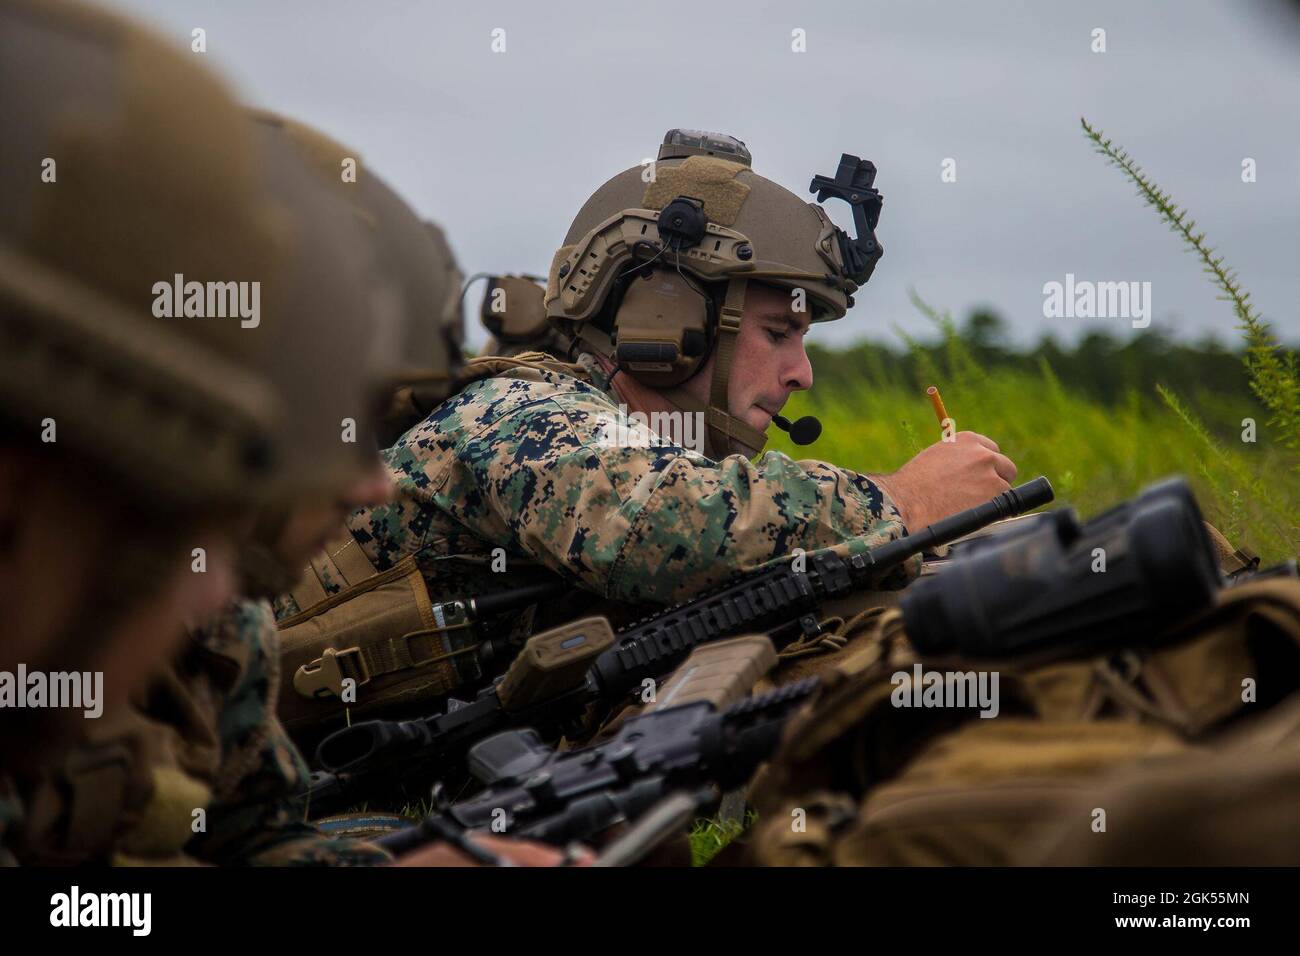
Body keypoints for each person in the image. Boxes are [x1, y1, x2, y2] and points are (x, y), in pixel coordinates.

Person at [341, 129, 1017, 652]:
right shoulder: (520, 413)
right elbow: (663, 527)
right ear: (666, 321)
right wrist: (908, 500)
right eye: (780, 332)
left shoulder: (615, 437)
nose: (801, 373)